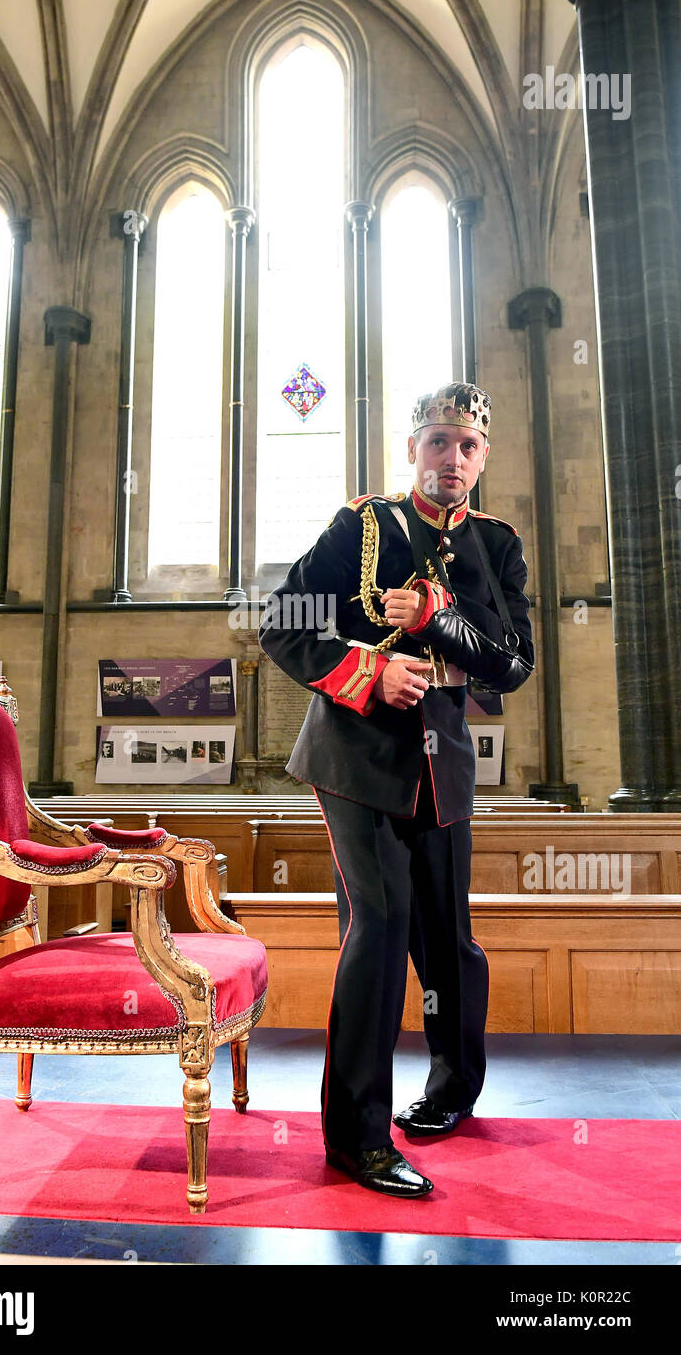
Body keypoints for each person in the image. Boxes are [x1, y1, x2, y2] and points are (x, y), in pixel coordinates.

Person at [258, 383, 534, 1197]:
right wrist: (371, 670)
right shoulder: (362, 526)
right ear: (415, 447)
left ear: (484, 457)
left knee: (449, 938)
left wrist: (436, 623)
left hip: (444, 761)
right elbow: (284, 623)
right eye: (440, 442)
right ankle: (357, 1137)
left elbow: (512, 665)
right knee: (378, 928)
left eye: (469, 447)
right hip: (355, 758)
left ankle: (452, 1091)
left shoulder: (498, 544)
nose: (453, 459)